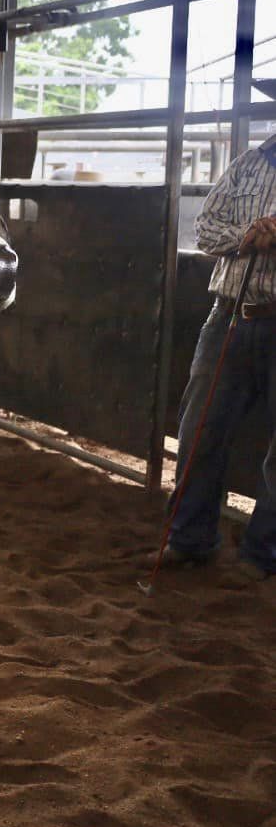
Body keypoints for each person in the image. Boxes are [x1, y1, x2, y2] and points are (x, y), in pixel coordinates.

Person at [165, 134, 276, 582]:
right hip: (228, 315)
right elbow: (206, 227)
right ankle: (189, 538)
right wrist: (247, 236)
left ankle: (263, 554)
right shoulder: (249, 163)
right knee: (199, 431)